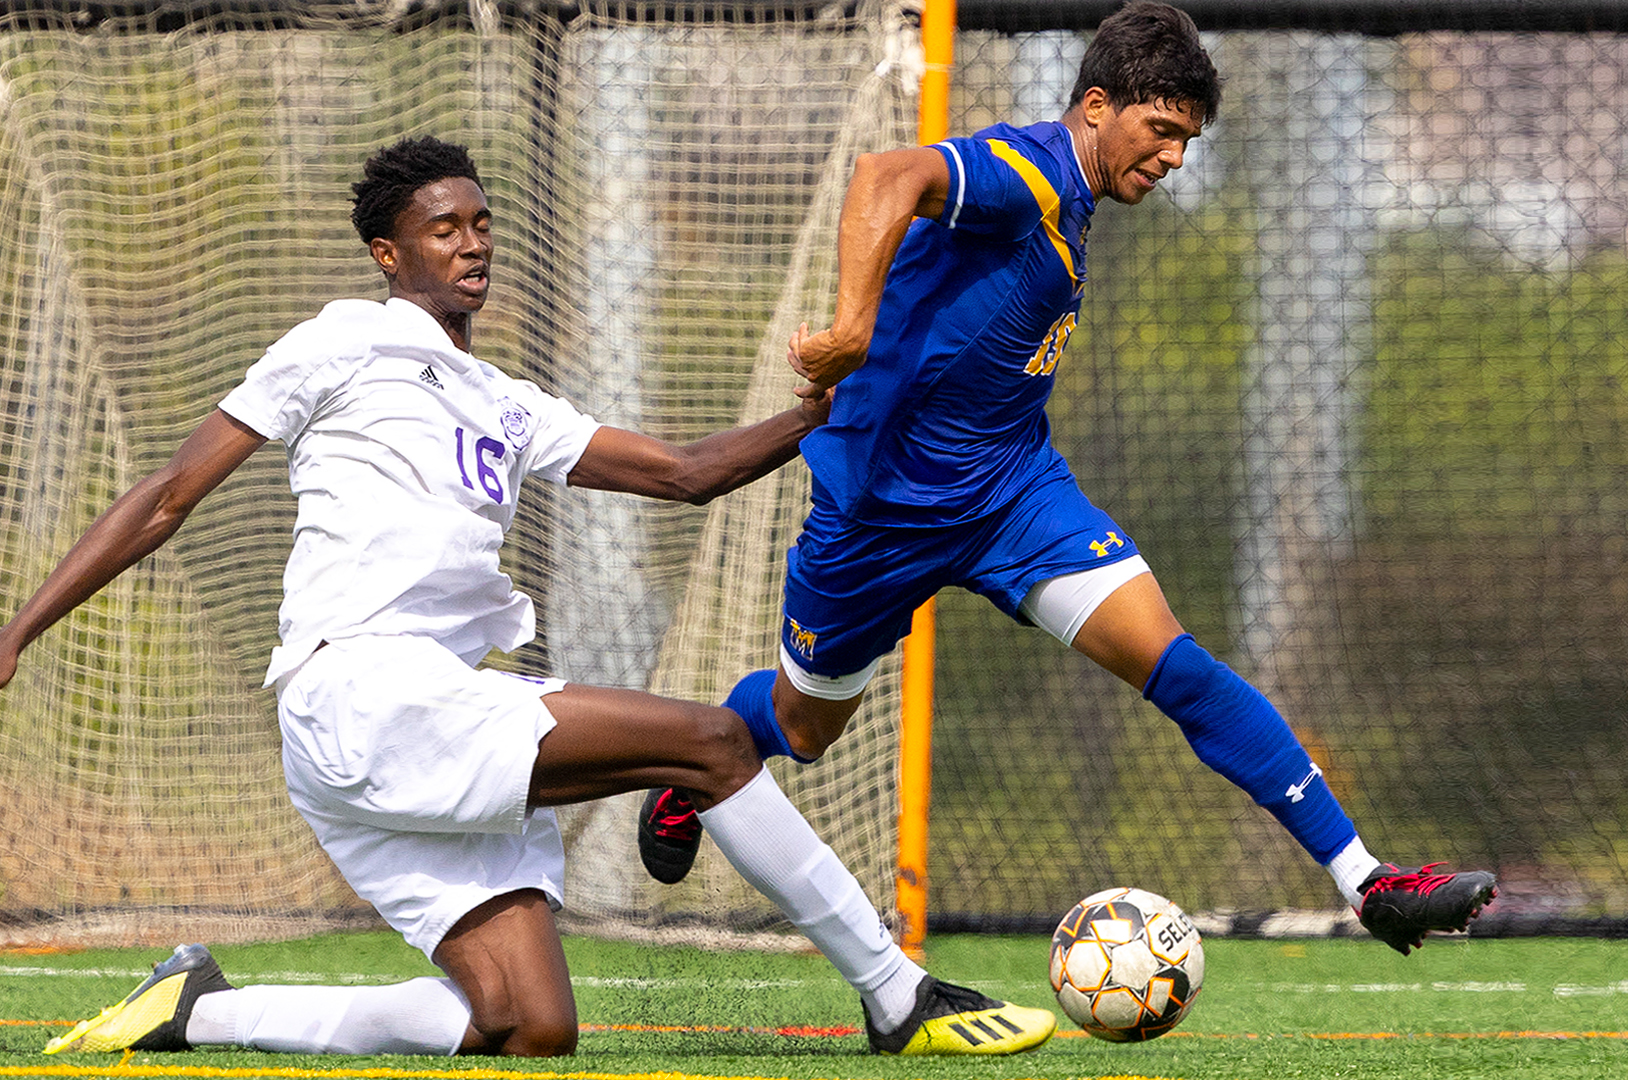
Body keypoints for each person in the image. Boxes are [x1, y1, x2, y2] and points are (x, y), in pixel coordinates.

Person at [3, 136, 1054, 1058]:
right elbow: (164, 498)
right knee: (713, 744)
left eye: (482, 223)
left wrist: (835, 404)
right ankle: (895, 994)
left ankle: (198, 1011)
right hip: (365, 692)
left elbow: (686, 473)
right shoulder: (341, 339)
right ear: (389, 254)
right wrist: (16, 633)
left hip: (421, 714)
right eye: (443, 227)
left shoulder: (506, 402)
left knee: (523, 1026)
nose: (472, 242)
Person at [637, 2, 1498, 954]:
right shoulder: (1034, 172)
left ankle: (1368, 882)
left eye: (1186, 140)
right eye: (1161, 130)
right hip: (880, 508)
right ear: (1097, 105)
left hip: (1013, 495)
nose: (1173, 157)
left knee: (1179, 668)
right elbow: (890, 172)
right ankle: (696, 760)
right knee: (802, 729)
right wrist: (848, 327)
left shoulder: (1079, 201)